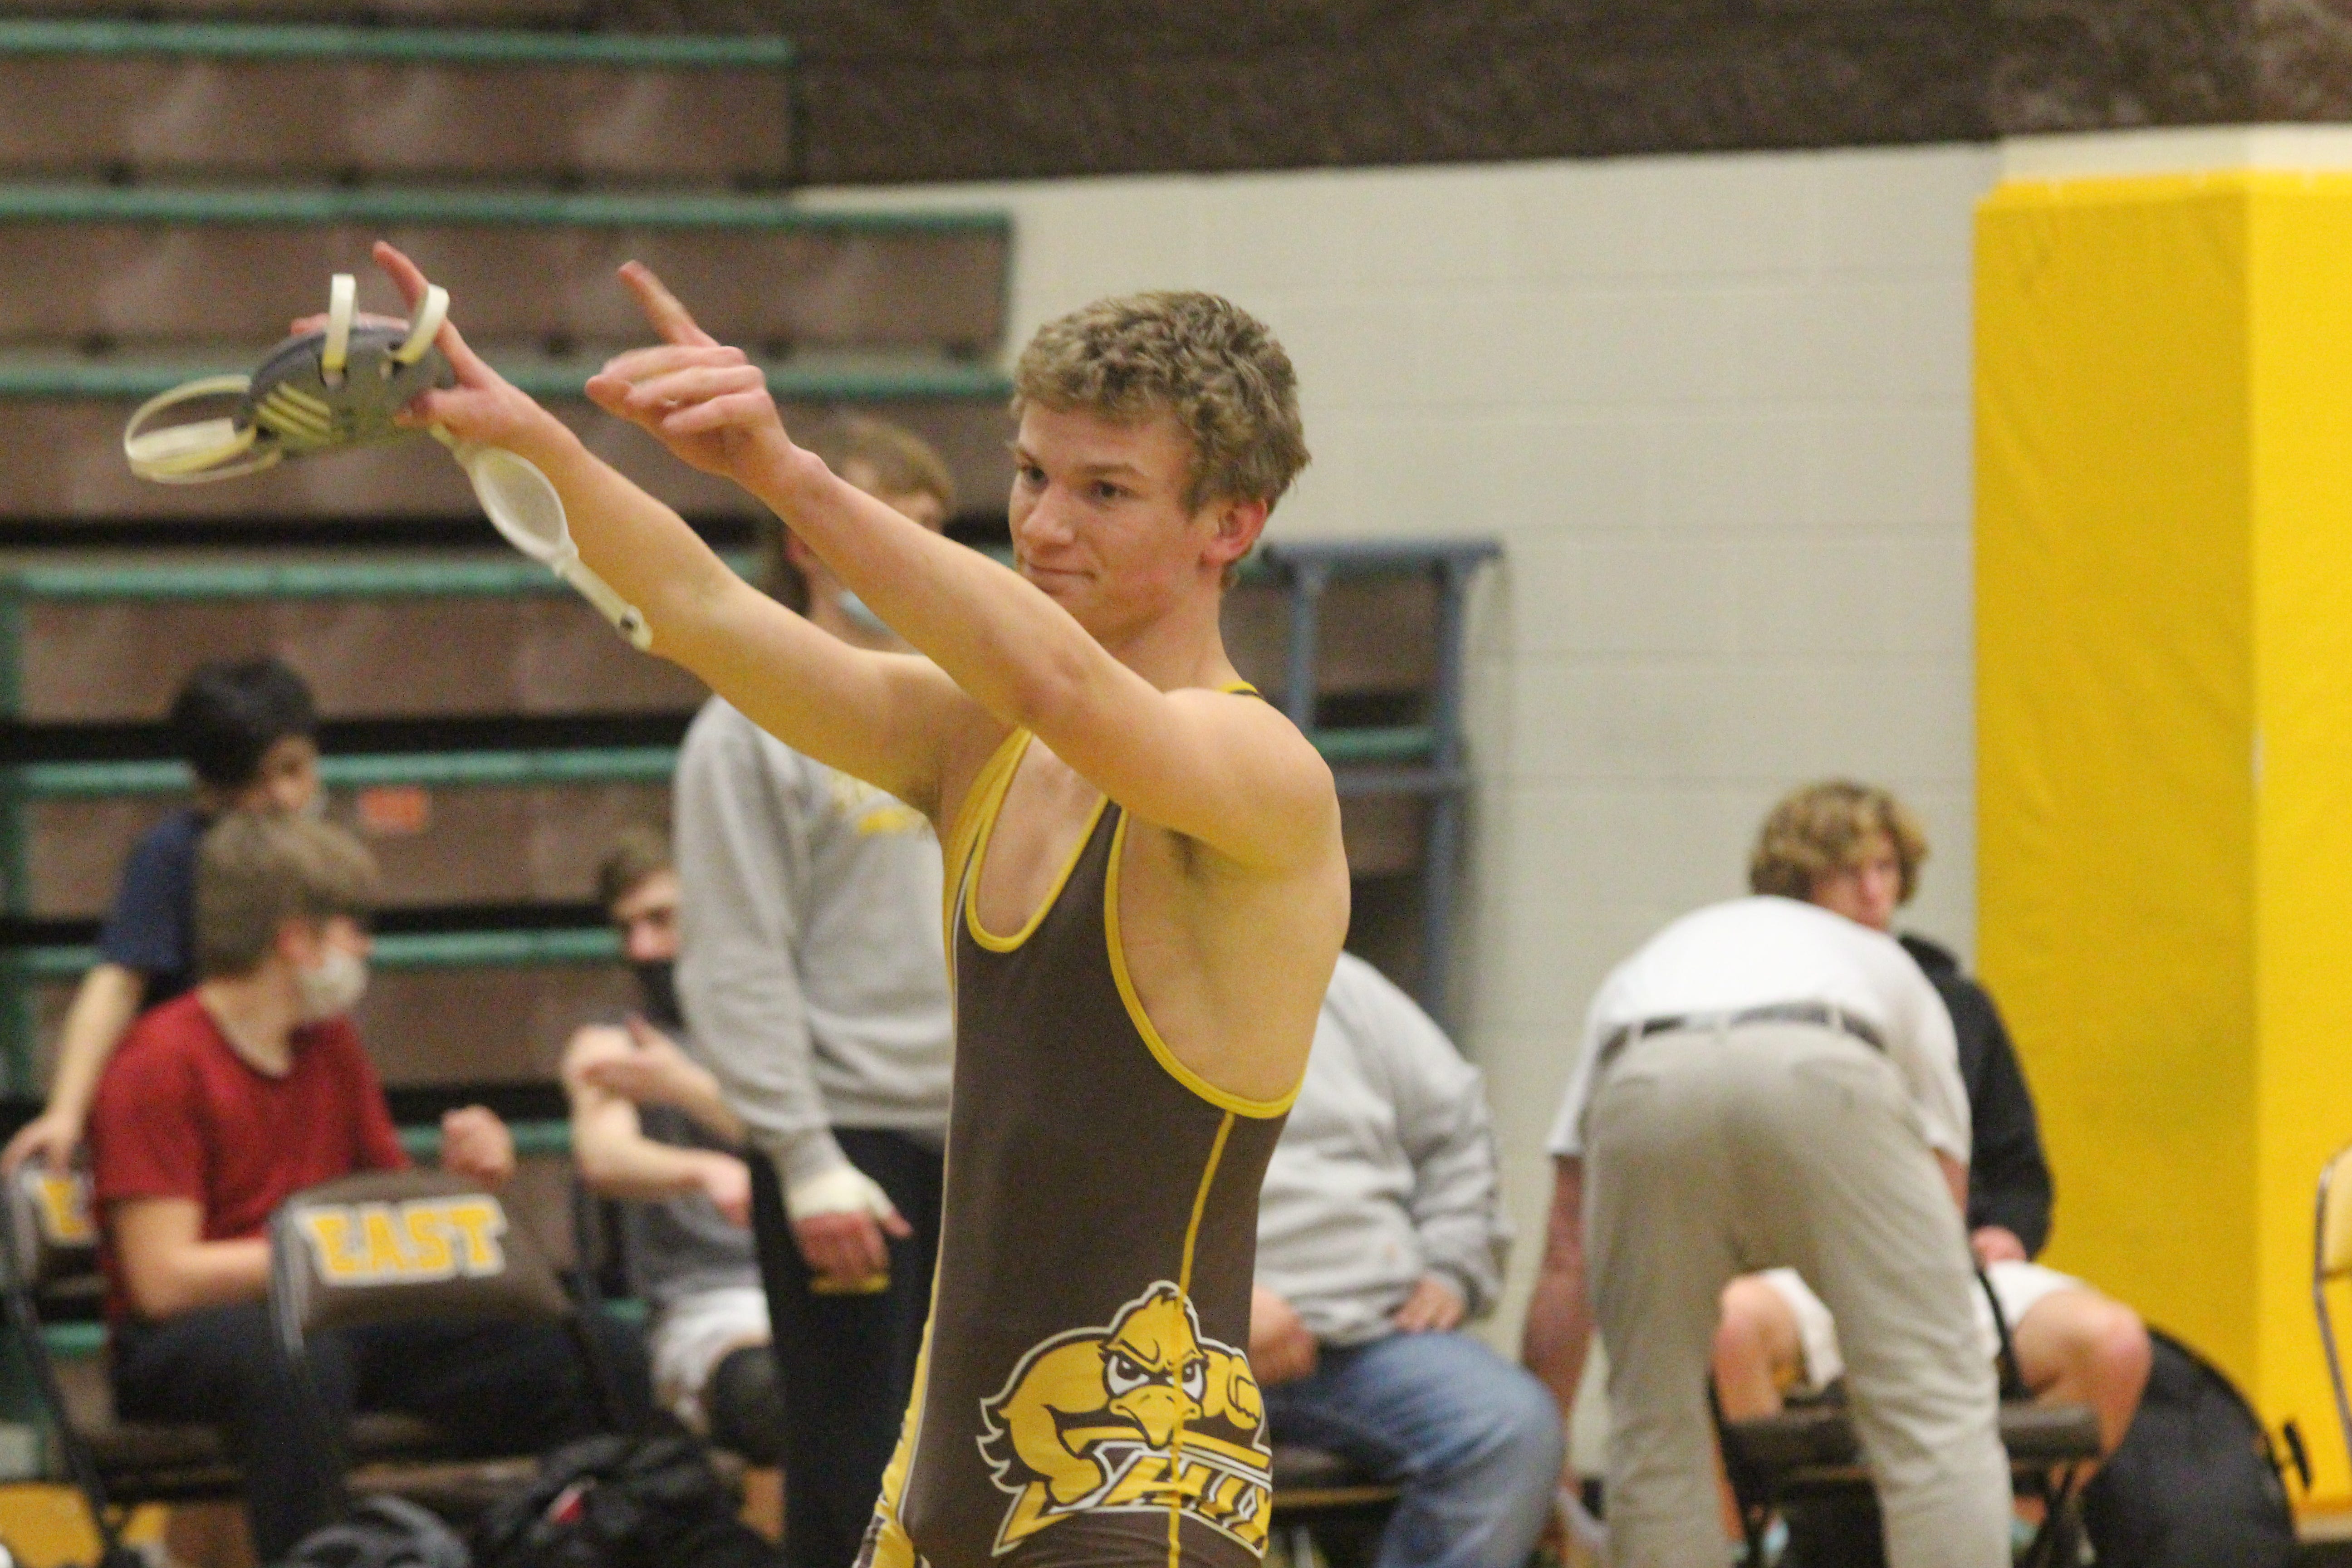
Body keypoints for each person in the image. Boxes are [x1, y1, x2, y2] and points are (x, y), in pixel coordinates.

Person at [363, 235, 1349, 1568]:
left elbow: (1062, 685)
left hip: (1139, 1487)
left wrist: (783, 470)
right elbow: (703, 608)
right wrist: (526, 439)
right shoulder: (974, 739)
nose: (1046, 525)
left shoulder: (1260, 774)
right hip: (940, 1481)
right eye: (1031, 474)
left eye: (1106, 491)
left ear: (1232, 524)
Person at [88, 812, 647, 1560]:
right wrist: (331, 1258)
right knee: (294, 1365)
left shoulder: (331, 1049)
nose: (366, 949)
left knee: (587, 1344)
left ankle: (575, 1544)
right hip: (194, 1342)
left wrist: (456, 1184)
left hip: (339, 1322)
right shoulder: (158, 1062)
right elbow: (163, 1279)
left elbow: (383, 1211)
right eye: (353, 929)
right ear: (296, 940)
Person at [1519, 893, 2010, 1568]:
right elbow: (1944, 1196)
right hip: (1826, 1059)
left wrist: (1541, 1464)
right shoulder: (1891, 966)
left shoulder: (1640, 969)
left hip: (1647, 1069)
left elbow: (1565, 1250)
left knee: (1654, 1426)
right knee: (1936, 1417)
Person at [670, 417, 957, 1566]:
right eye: (891, 528)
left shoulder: (966, 706)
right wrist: (799, 1154)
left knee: (977, 1454)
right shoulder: (747, 726)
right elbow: (734, 955)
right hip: (852, 1149)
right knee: (855, 1460)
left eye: (932, 532)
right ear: (806, 540)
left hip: (977, 1133)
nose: (915, 555)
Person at [1714, 782, 2151, 1461]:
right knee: (1725, 1323)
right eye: (1845, 872)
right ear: (1799, 885)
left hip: (1946, 1268)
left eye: (1885, 869)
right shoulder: (1749, 998)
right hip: (1800, 1268)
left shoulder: (1957, 1003)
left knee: (2115, 1344)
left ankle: (2011, 1535)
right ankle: (1759, 1540)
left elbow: (2018, 1170)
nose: (1871, 892)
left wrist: (2007, 1231)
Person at [1250, 952, 1561, 1568]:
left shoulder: (1344, 989)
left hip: (1366, 1339)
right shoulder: (1105, 993)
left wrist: (1452, 1261)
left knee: (1510, 1429)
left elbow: (1458, 1129)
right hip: (1164, 1350)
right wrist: (1210, 1309)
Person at [5, 658, 320, 1174]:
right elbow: (116, 983)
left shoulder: (318, 858)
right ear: (211, 784)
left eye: (294, 770)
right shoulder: (172, 855)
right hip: (200, 1100)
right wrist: (66, 1111)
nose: (283, 797)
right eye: (255, 782)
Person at [562, 828, 780, 1459]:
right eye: (627, 929)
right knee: (768, 1393)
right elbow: (603, 1157)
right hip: (710, 1310)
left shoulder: (787, 1031)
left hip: (825, 1285)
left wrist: (685, 1088)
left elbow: (824, 1140)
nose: (642, 947)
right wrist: (703, 1168)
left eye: (661, 920)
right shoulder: (610, 1043)